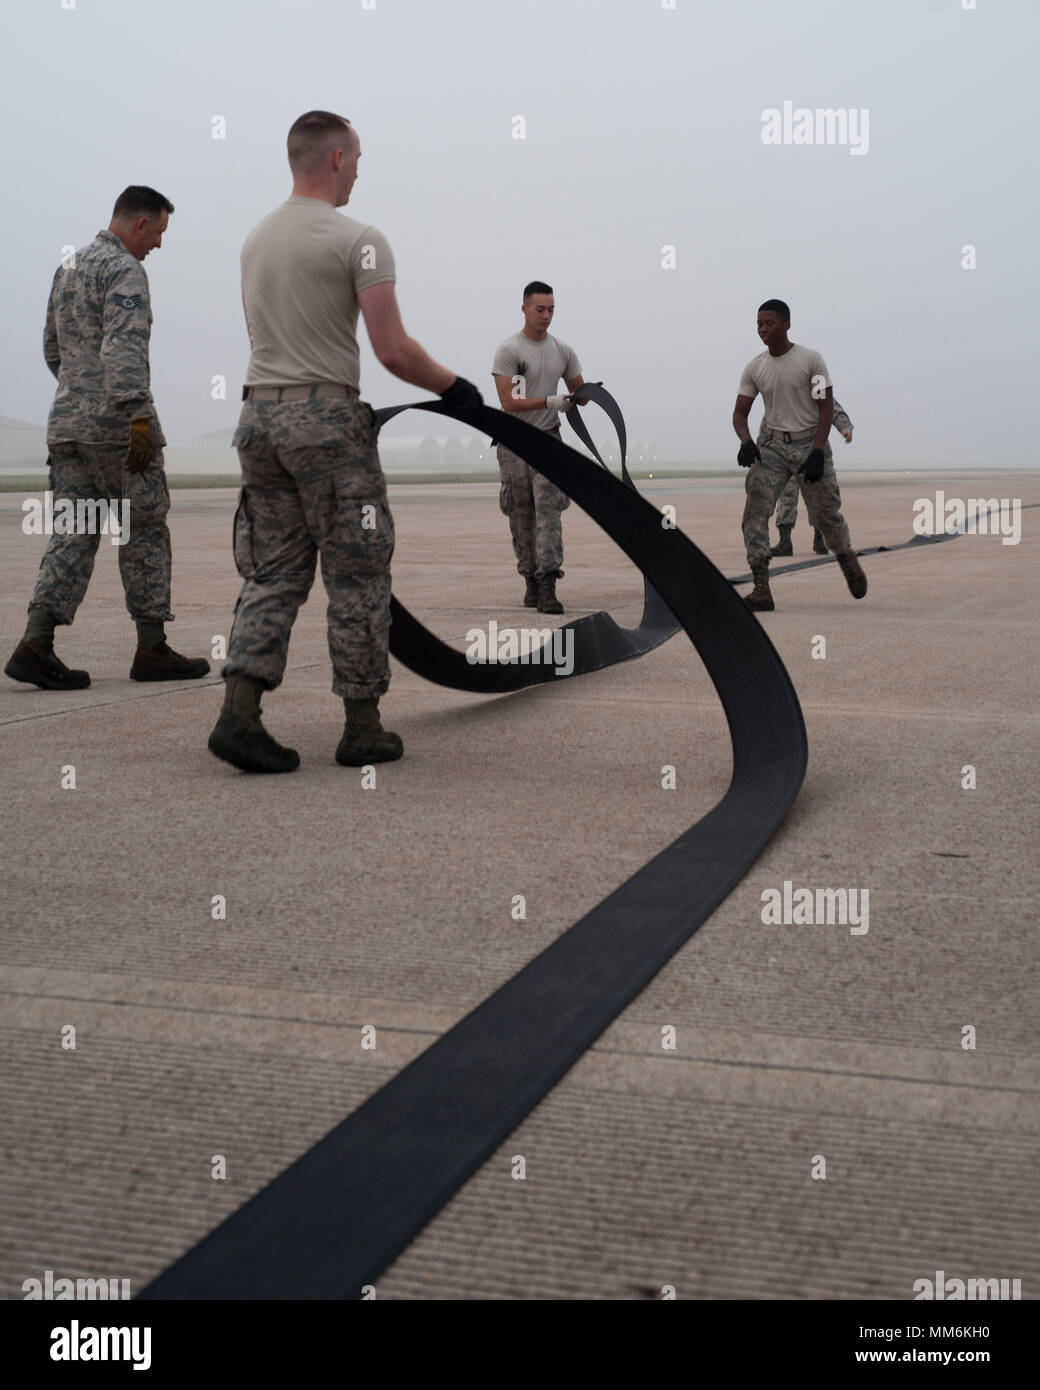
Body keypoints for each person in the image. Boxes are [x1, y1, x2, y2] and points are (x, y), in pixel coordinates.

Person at [208, 110, 482, 774]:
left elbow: (259, 340)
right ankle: (362, 728)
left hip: (258, 423)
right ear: (334, 158)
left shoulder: (256, 239)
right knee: (358, 574)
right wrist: (455, 387)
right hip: (327, 426)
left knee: (273, 573)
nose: (360, 168)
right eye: (357, 157)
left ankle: (239, 715)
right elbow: (391, 350)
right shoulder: (360, 239)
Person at [4, 187, 210, 689]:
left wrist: (79, 391)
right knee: (143, 529)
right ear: (139, 224)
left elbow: (52, 349)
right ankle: (151, 648)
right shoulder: (124, 271)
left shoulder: (69, 267)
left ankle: (37, 641)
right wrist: (136, 415)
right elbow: (124, 347)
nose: (157, 245)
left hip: (69, 427)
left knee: (74, 530)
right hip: (118, 429)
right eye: (158, 232)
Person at [732, 299, 866, 611]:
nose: (763, 329)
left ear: (787, 324)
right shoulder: (755, 367)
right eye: (759, 324)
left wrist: (819, 450)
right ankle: (761, 588)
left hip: (809, 444)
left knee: (825, 515)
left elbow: (825, 407)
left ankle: (846, 557)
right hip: (772, 447)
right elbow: (740, 413)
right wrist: (745, 441)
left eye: (770, 323)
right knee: (754, 512)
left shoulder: (810, 360)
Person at [491, 282, 586, 614]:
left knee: (549, 512)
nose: (546, 316)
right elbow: (509, 401)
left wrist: (584, 395)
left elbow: (578, 388)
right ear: (524, 309)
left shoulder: (563, 351)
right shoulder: (510, 351)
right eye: (539, 310)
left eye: (551, 310)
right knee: (521, 516)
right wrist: (549, 399)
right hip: (514, 443)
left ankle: (548, 583)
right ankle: (530, 581)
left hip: (548, 441)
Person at [772, 398, 854, 556]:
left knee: (819, 496)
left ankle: (819, 538)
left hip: (813, 449)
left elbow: (833, 409)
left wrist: (845, 428)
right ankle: (785, 541)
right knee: (787, 495)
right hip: (788, 450)